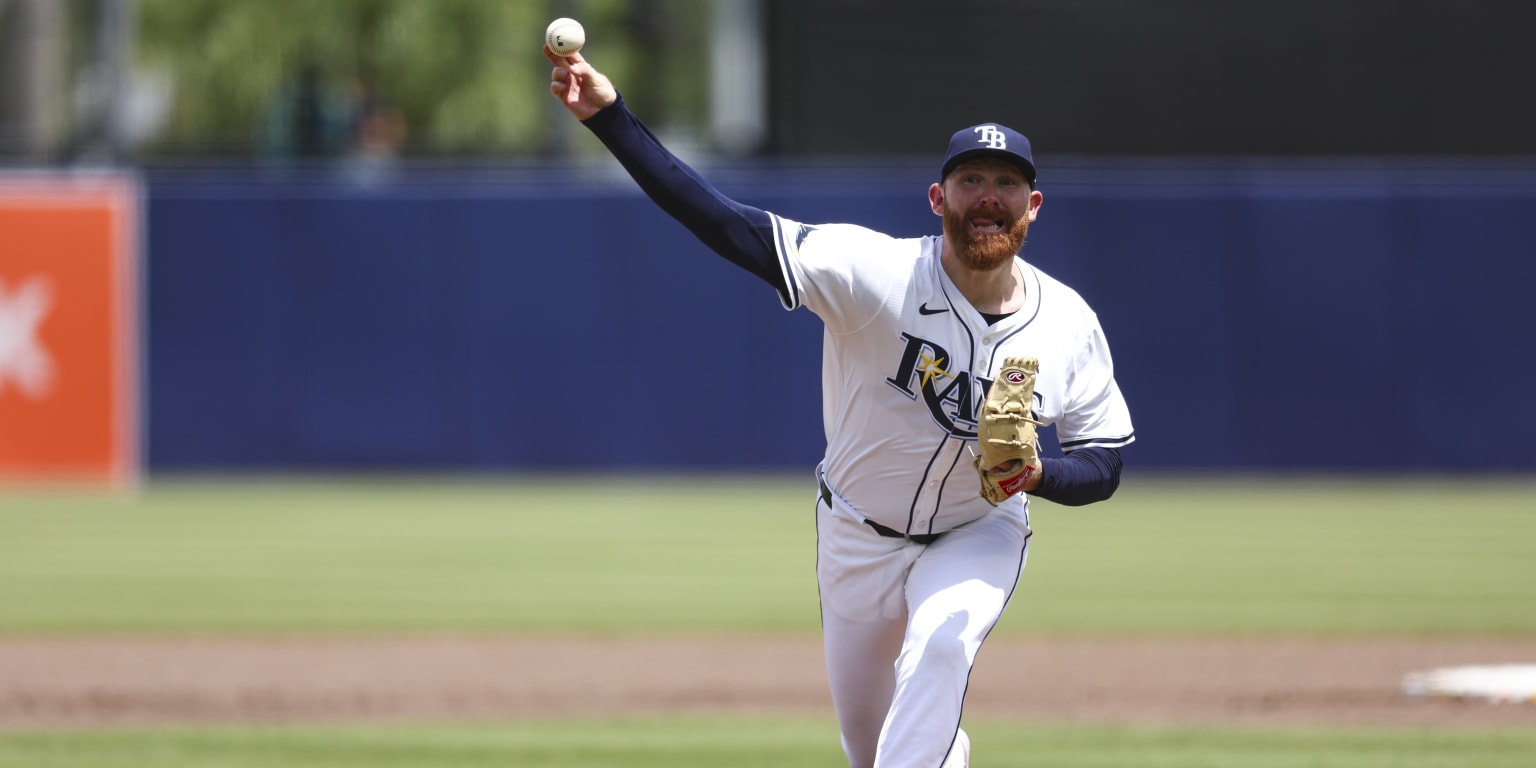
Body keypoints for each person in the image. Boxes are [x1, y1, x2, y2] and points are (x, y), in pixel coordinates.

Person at [544, 46, 1134, 768]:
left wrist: (1038, 477)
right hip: (855, 533)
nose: (988, 195)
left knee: (944, 644)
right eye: (970, 179)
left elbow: (1104, 460)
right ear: (937, 198)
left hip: (977, 532)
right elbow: (725, 224)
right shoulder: (875, 274)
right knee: (869, 748)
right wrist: (610, 119)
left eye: (1006, 183)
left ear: (1032, 206)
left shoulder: (1067, 322)